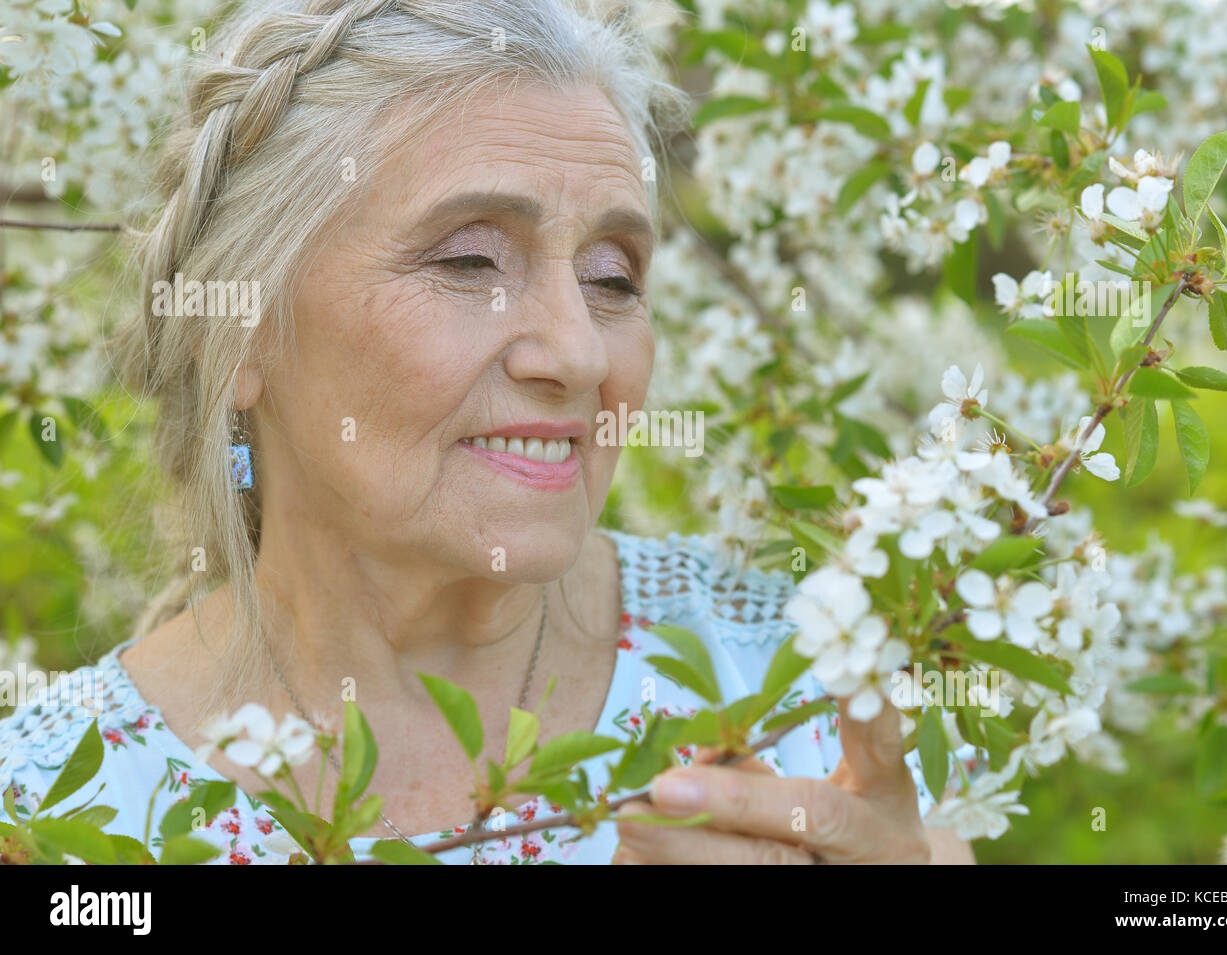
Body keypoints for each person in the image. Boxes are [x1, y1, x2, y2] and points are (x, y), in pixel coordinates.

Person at [0, 0, 974, 864]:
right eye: (468, 262)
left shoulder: (806, 687)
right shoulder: (46, 813)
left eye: (612, 277)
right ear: (240, 329)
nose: (578, 352)